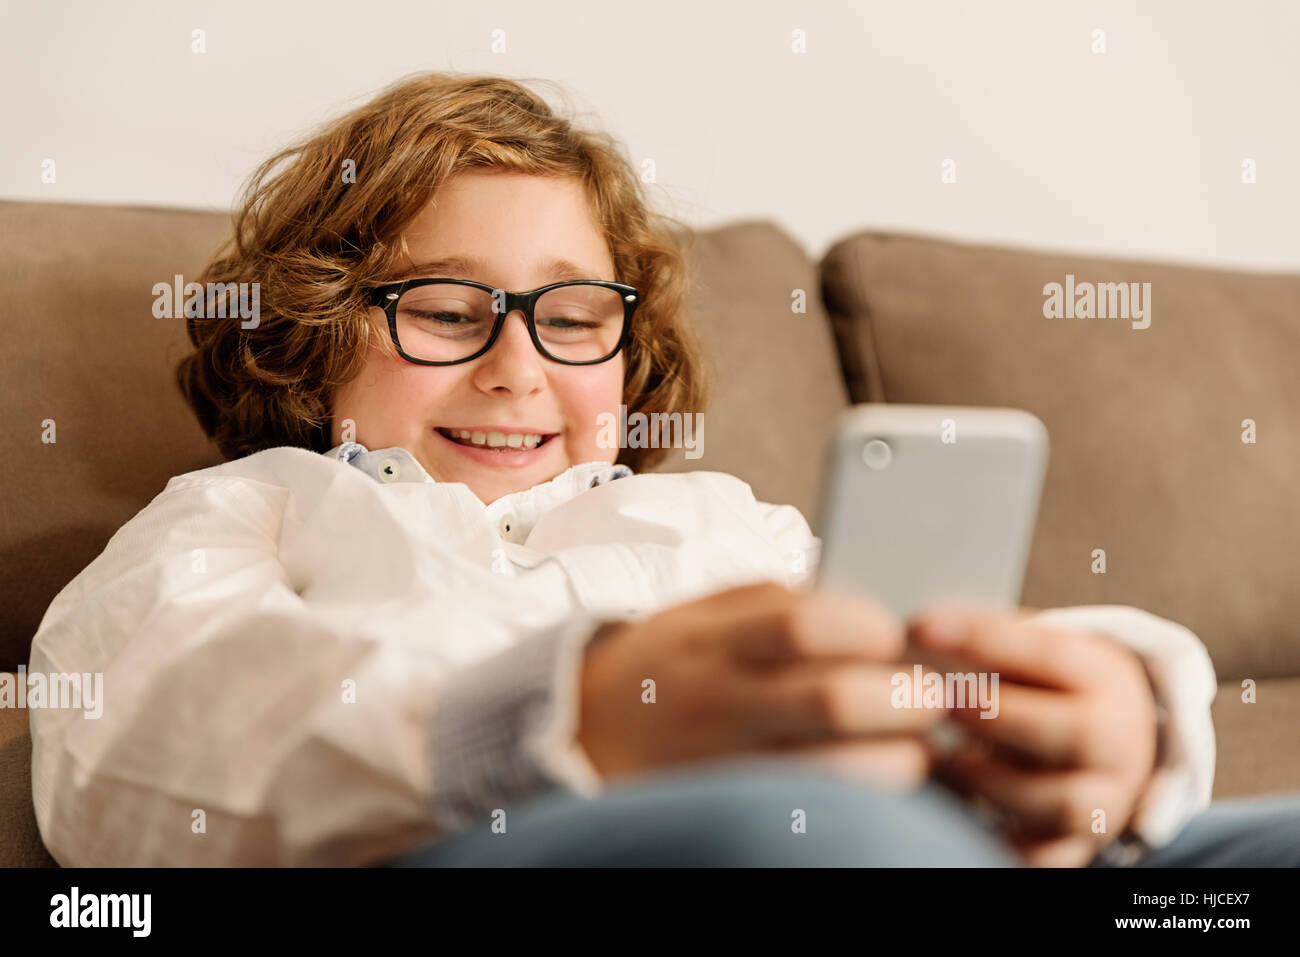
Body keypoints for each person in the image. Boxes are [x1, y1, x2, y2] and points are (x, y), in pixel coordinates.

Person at [26, 71, 1298, 868]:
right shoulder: (252, 513)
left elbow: (976, 647)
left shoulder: (722, 524)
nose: (517, 368)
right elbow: (141, 732)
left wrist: (1129, 714)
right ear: (315, 335)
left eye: (572, 317)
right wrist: (555, 715)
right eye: (445, 310)